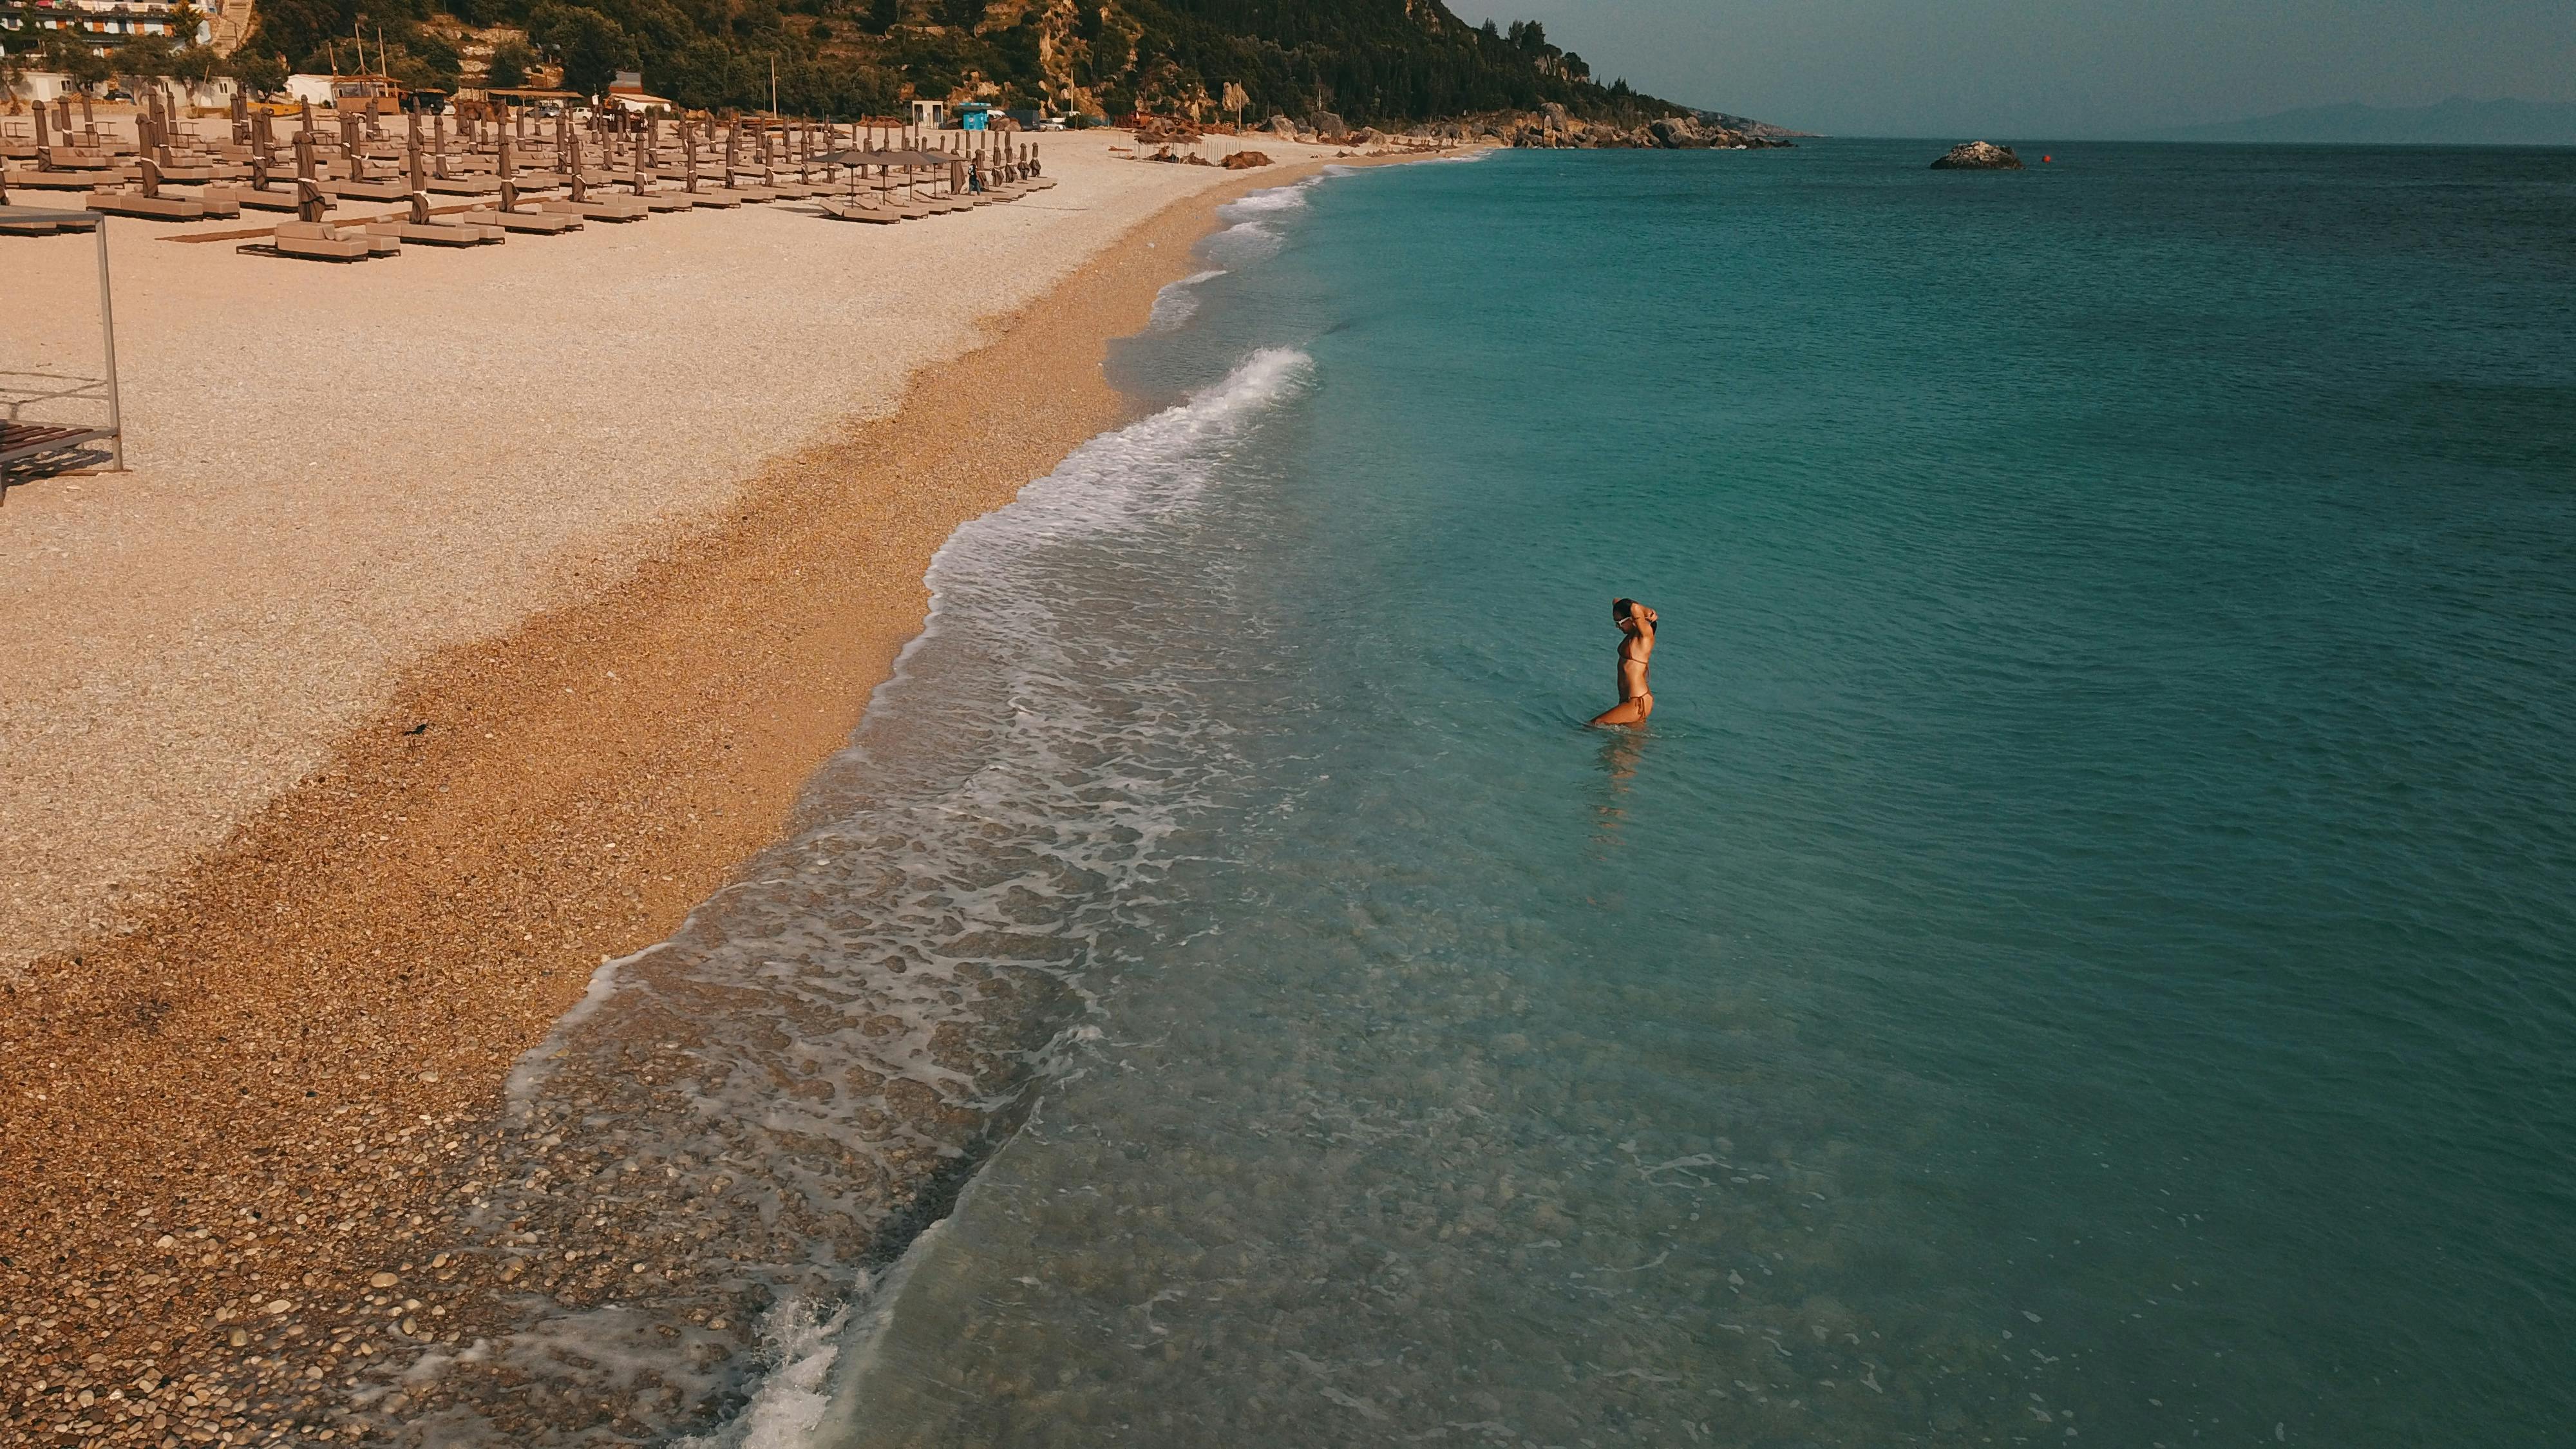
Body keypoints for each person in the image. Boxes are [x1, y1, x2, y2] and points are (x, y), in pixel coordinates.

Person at [1588, 597, 1658, 727]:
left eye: (1619, 623)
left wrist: (1647, 611)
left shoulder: (1645, 636)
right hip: (1631, 700)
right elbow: (1616, 601)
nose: (1617, 626)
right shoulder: (1633, 635)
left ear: (1631, 619)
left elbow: (1634, 608)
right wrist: (1638, 612)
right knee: (1627, 740)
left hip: (1636, 702)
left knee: (1594, 725)